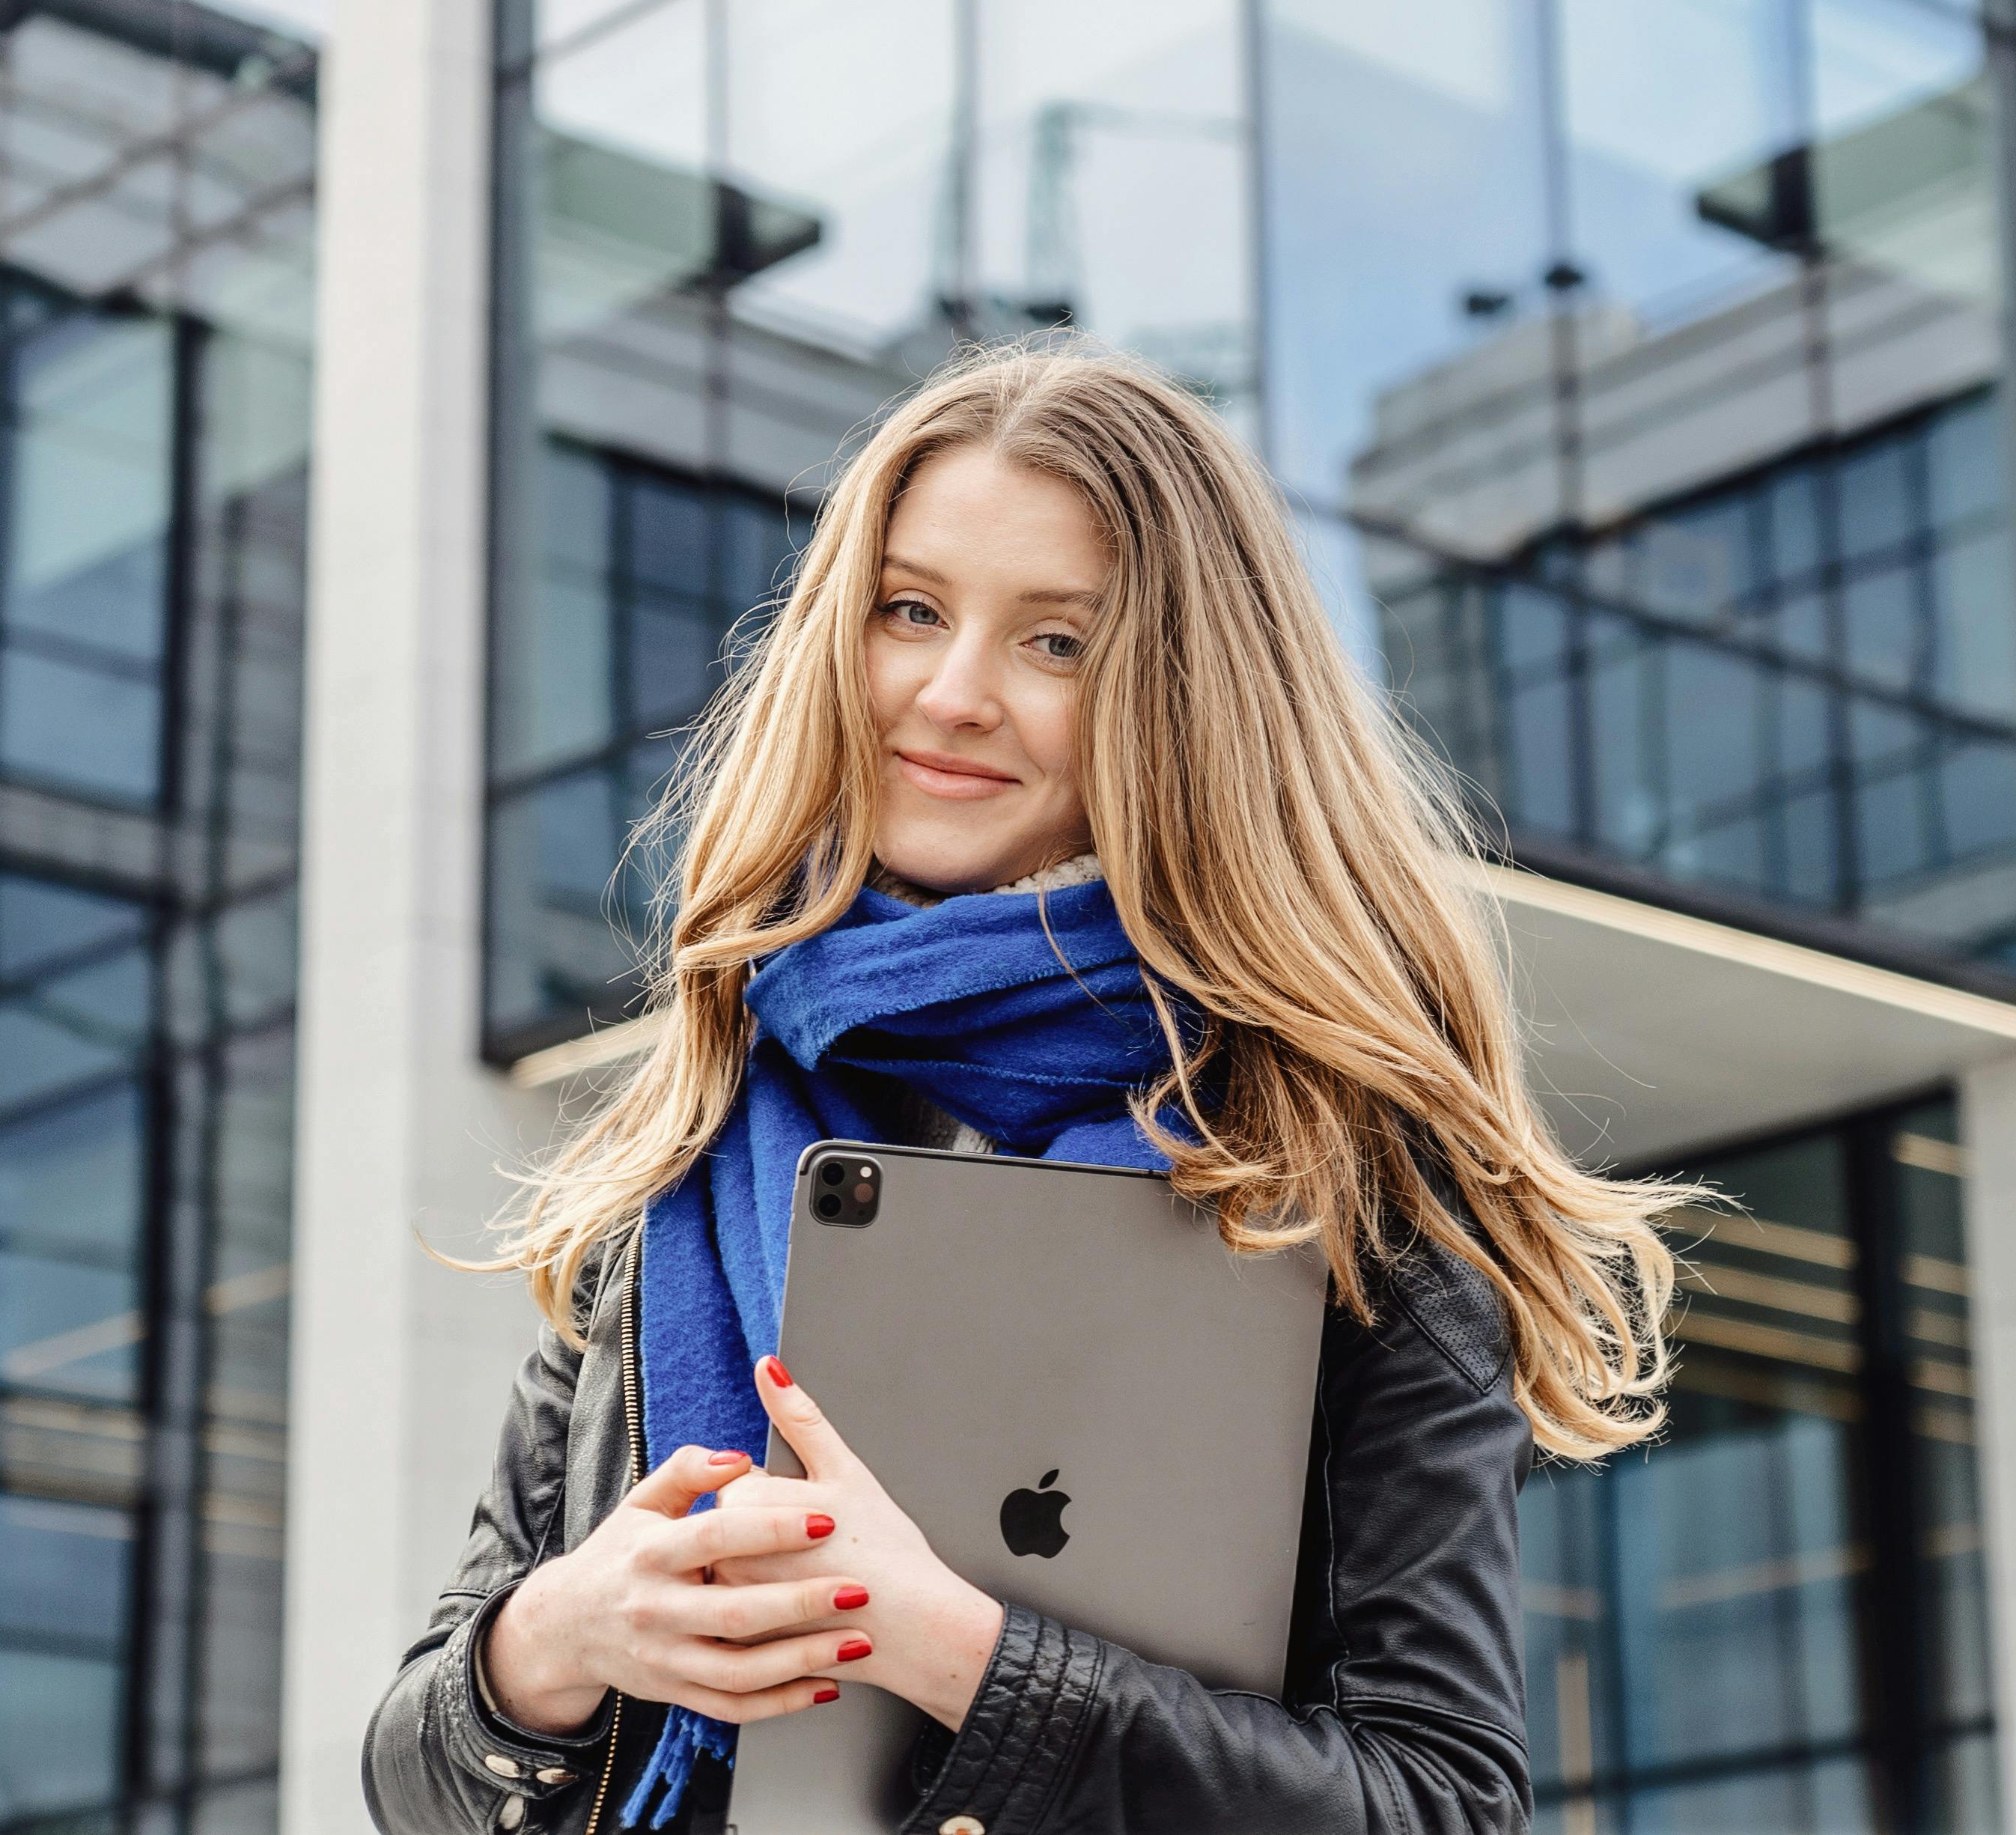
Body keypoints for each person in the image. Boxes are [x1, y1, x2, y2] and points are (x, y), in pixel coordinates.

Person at [362, 341, 1686, 1835]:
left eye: (1056, 642)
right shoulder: (687, 1137)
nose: (951, 692)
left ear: (1187, 699)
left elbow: (1436, 1802)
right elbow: (414, 1772)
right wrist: (551, 1639)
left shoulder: (1341, 1168)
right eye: (909, 611)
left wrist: (951, 1651)